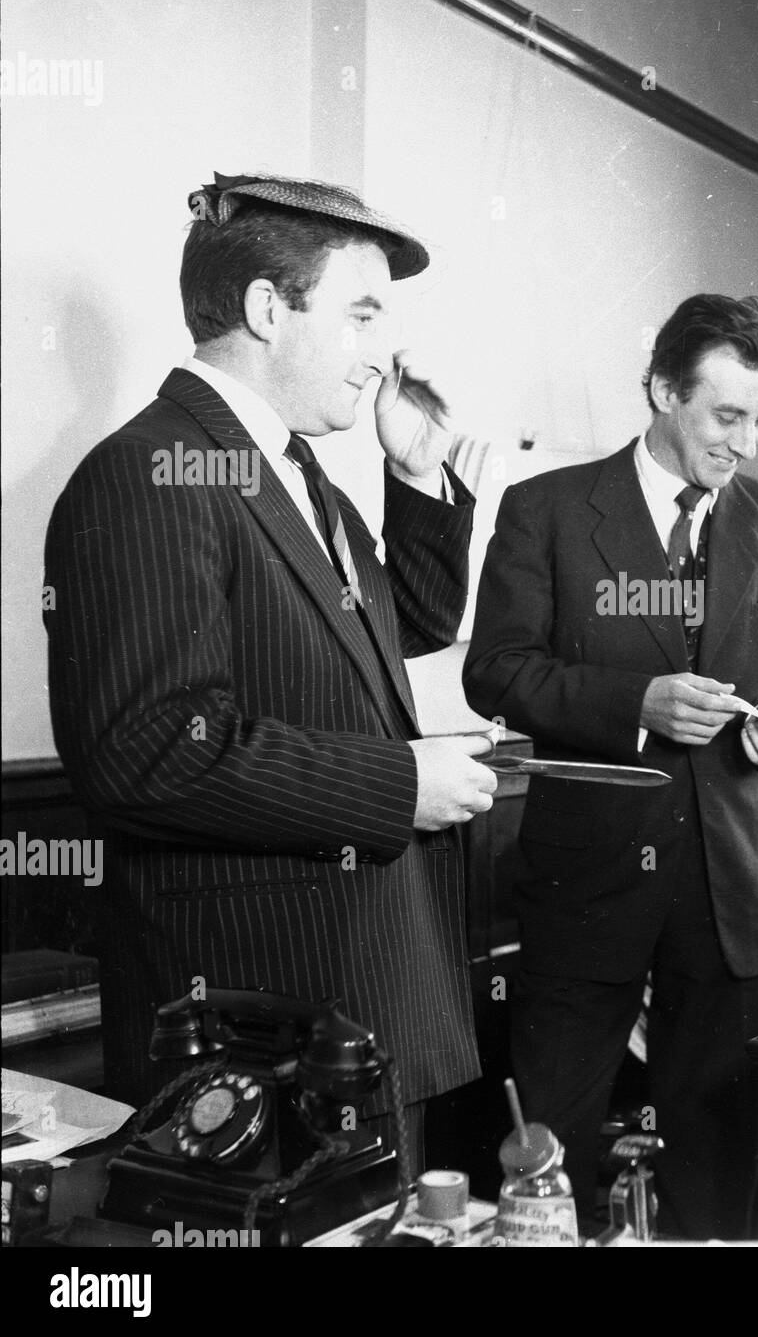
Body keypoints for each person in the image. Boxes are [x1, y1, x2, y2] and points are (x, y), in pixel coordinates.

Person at [43, 171, 498, 1167]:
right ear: (264, 309)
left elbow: (402, 631)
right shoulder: (149, 472)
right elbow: (143, 750)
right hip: (261, 1029)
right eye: (362, 313)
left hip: (358, 1005)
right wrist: (399, 782)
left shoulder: (299, 479)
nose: (384, 353)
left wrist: (416, 476)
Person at [463, 294, 758, 1238]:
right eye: (726, 417)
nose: (744, 443)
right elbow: (493, 671)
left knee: (720, 1147)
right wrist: (636, 704)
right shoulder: (544, 510)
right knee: (554, 1151)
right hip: (588, 874)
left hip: (730, 872)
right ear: (664, 391)